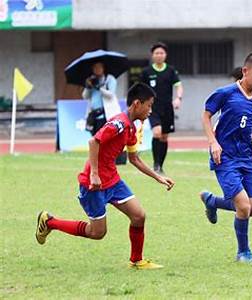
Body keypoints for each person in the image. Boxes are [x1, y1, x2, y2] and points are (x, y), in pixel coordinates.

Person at [35, 83, 175, 269]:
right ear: (136, 104)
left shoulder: (131, 128)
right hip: (93, 184)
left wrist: (158, 177)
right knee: (97, 233)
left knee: (139, 216)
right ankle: (50, 222)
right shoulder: (118, 123)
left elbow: (134, 159)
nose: (150, 110)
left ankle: (136, 261)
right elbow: (94, 141)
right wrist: (94, 174)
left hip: (113, 181)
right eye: (149, 105)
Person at [199, 53, 252, 263]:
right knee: (243, 206)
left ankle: (212, 201)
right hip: (224, 157)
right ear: (245, 71)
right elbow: (206, 115)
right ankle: (243, 253)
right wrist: (213, 142)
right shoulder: (225, 93)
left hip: (246, 158)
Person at [141, 42, 183, 175]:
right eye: (156, 53)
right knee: (157, 133)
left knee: (164, 137)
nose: (159, 55)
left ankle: (160, 166)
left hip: (167, 108)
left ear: (165, 55)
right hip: (153, 108)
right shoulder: (146, 72)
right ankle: (156, 164)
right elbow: (141, 89)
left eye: (161, 53)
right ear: (152, 55)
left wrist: (178, 98)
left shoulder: (171, 70)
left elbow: (178, 86)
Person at [82, 62, 121, 136]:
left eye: (99, 67)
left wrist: (99, 87)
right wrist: (88, 87)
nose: (97, 69)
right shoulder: (91, 79)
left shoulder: (109, 79)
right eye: (95, 68)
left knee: (105, 138)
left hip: (106, 114)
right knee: (94, 138)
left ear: (103, 68)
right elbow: (85, 96)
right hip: (93, 115)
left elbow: (110, 95)